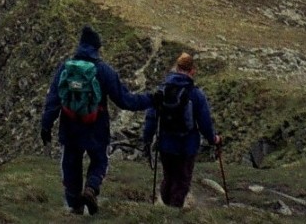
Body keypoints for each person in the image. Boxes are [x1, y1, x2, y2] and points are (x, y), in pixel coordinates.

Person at [40, 25, 152, 216]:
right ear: (96, 48)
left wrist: (46, 126)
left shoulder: (65, 68)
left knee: (70, 165)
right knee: (99, 161)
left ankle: (75, 206)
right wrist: (151, 99)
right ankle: (91, 188)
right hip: (96, 127)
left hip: (70, 127)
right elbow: (126, 101)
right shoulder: (104, 71)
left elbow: (53, 100)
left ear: (80, 45)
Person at [142, 51, 222, 207]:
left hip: (166, 144)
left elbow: (151, 116)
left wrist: (146, 138)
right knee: (182, 180)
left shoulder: (162, 90)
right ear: (192, 70)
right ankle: (174, 212)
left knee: (169, 177)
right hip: (187, 146)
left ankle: (166, 206)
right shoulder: (196, 94)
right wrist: (214, 139)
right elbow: (205, 122)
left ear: (177, 68)